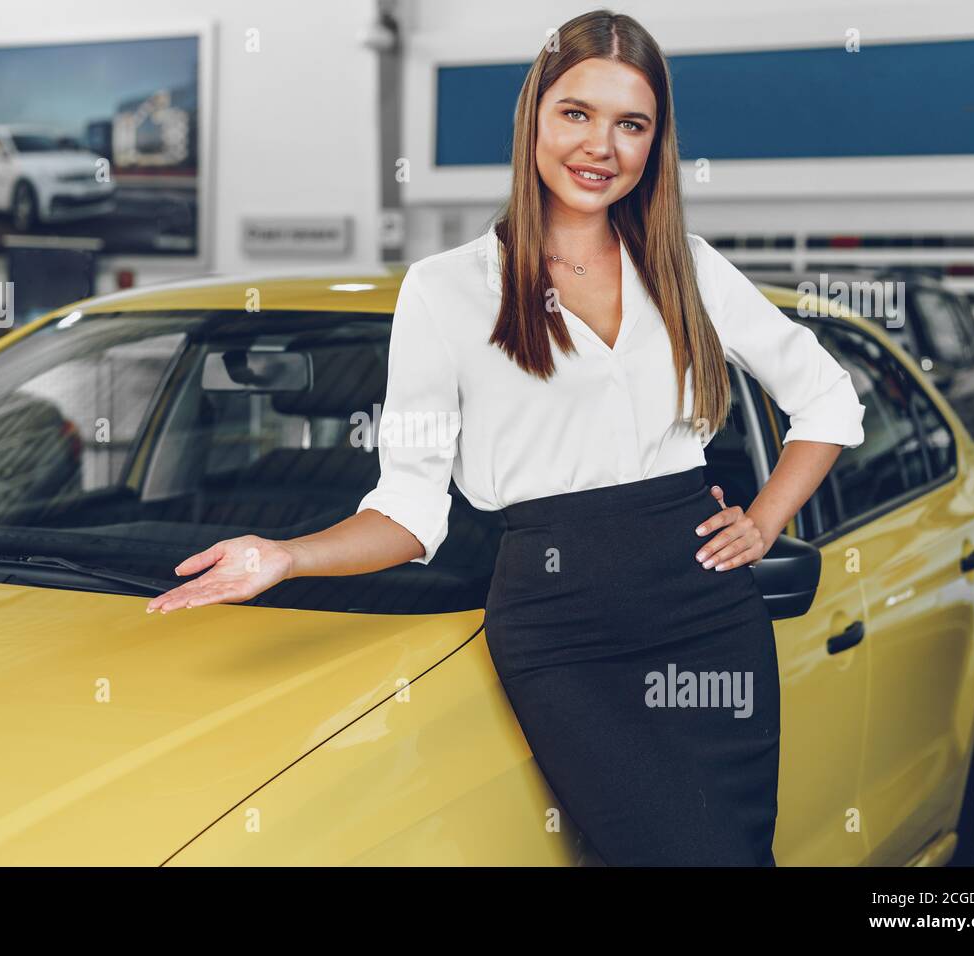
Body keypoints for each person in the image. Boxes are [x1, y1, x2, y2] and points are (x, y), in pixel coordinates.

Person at [145, 10, 866, 866]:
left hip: (706, 613)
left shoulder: (689, 266)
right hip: (562, 632)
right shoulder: (446, 291)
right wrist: (288, 556)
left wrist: (766, 519)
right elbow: (412, 509)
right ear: (533, 117)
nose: (601, 145)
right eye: (577, 113)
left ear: (655, 143)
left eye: (630, 124)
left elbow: (827, 398)